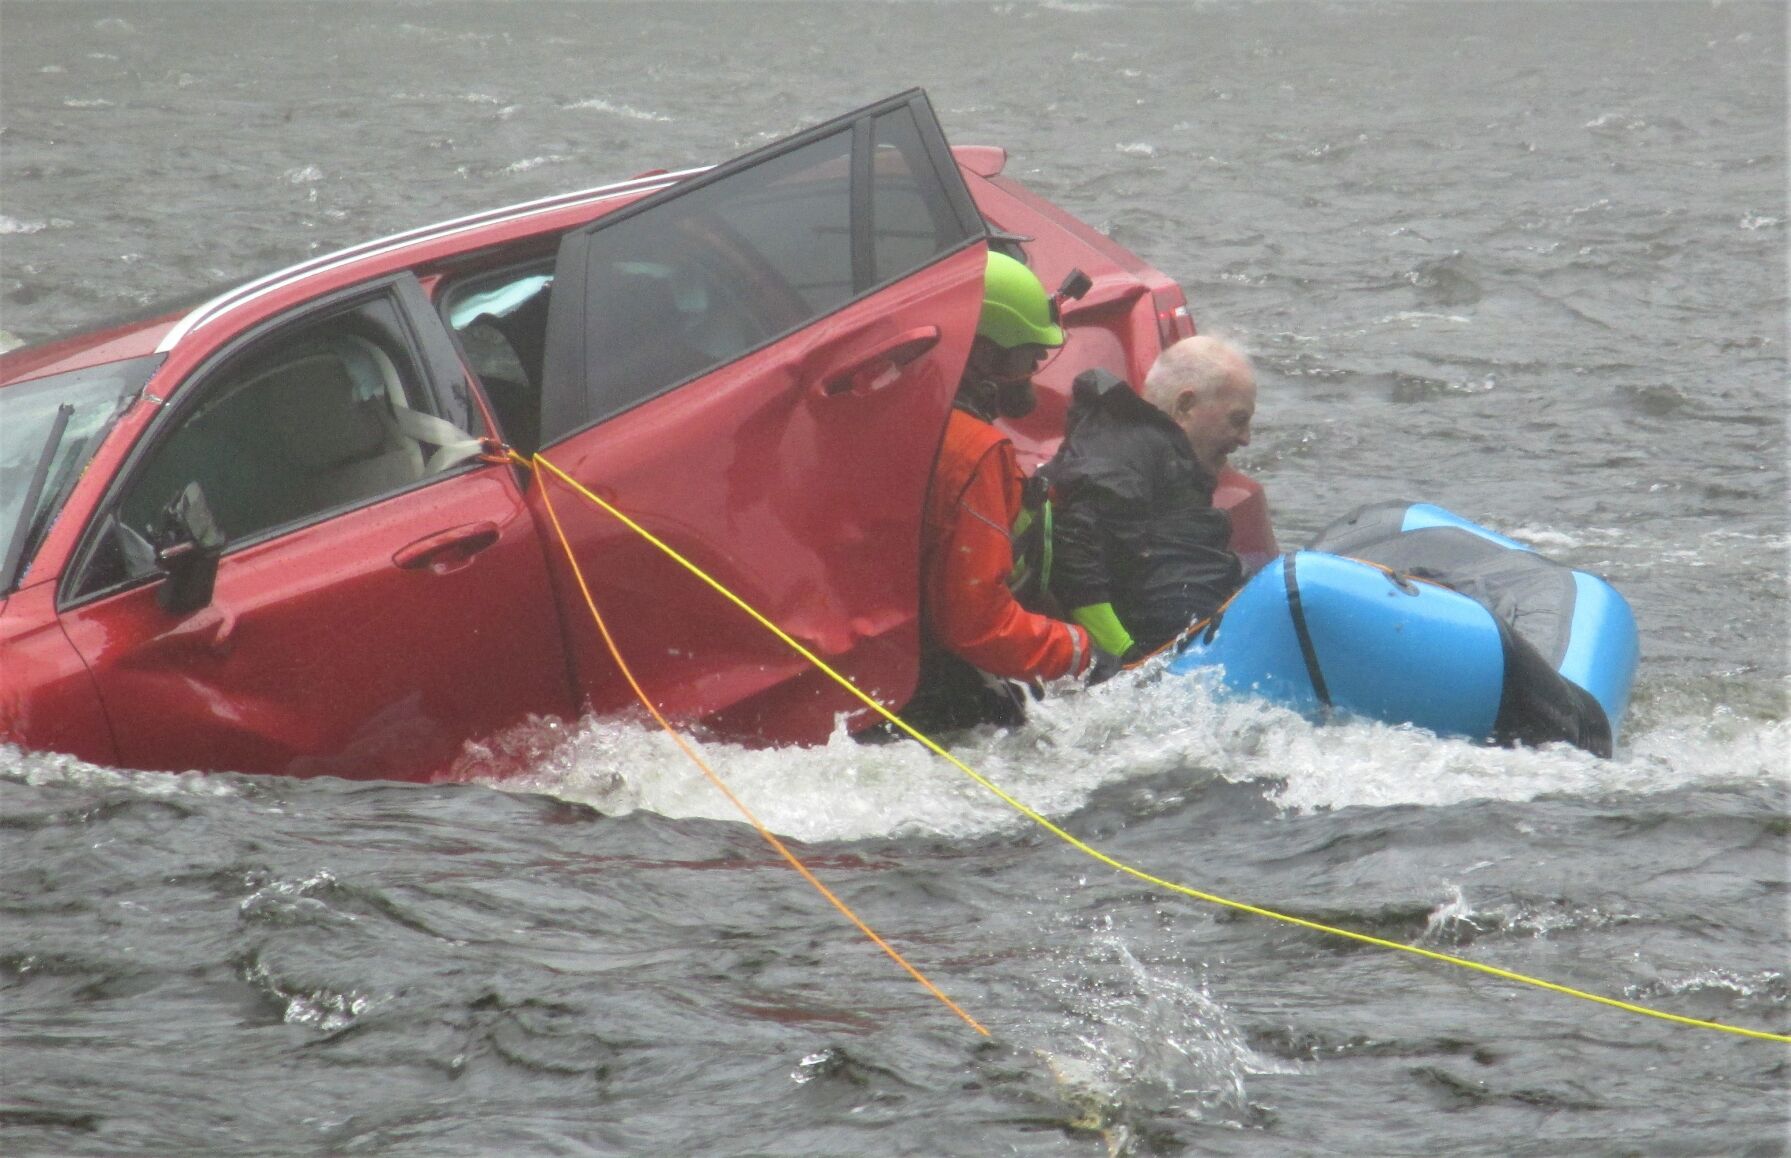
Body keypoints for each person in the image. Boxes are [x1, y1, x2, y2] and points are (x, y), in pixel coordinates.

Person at [901, 251, 1106, 733]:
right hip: (937, 692)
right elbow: (977, 624)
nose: (1038, 361)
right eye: (1028, 350)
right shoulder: (974, 452)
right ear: (985, 355)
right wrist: (1080, 653)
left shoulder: (911, 418)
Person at [1039, 335, 1256, 658]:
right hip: (1149, 665)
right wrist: (1127, 658)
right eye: (1237, 420)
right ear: (1185, 406)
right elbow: (1073, 552)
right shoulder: (1121, 450)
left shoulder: (1164, 459)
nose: (1245, 439)